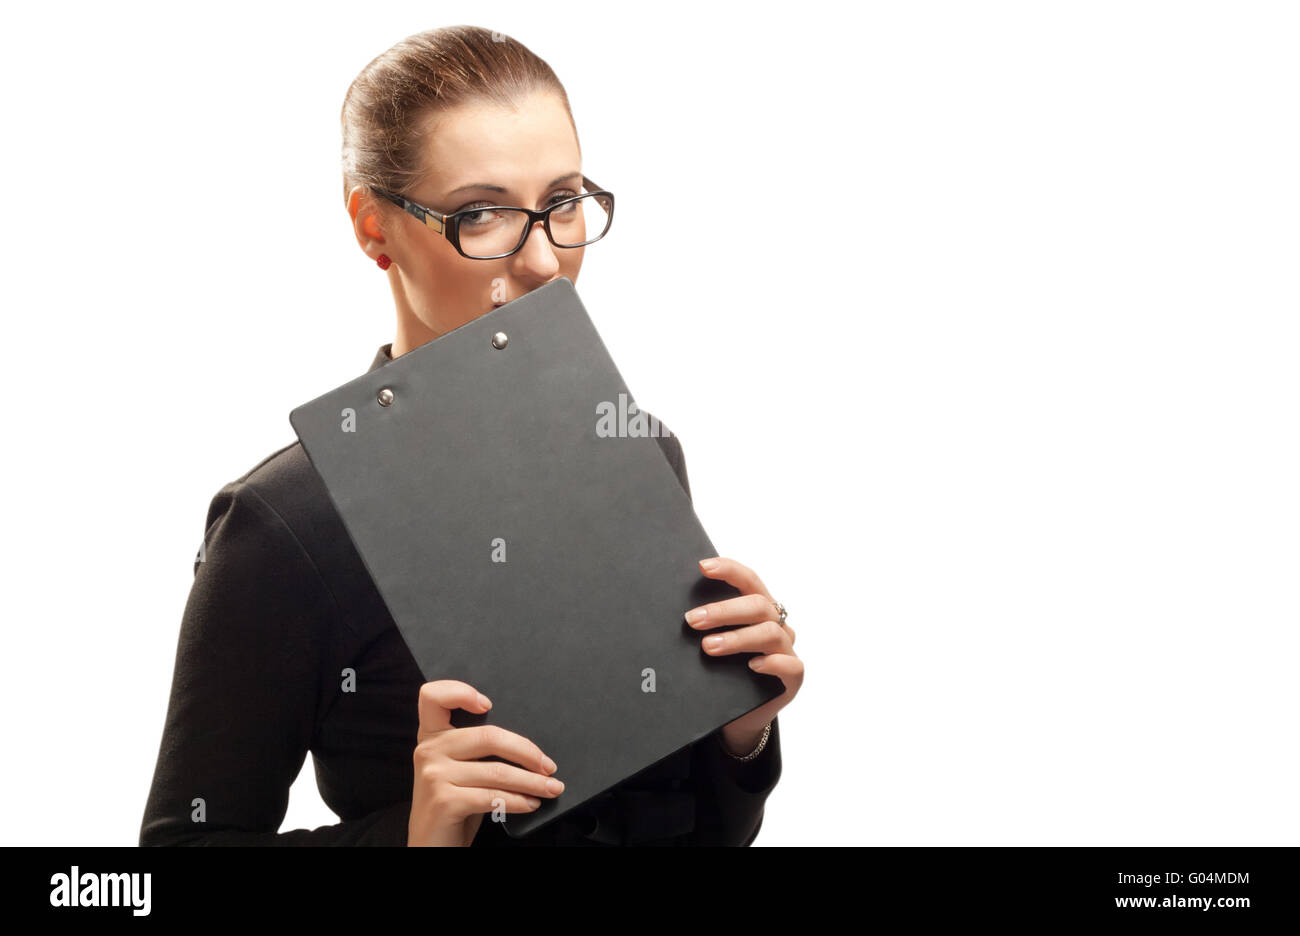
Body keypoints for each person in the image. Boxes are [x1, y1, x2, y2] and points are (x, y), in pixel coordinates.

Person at [139, 25, 803, 847]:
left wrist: (744, 725)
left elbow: (696, 829)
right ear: (373, 228)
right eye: (480, 213)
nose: (545, 263)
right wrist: (415, 837)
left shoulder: (641, 448)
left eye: (561, 203)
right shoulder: (284, 526)